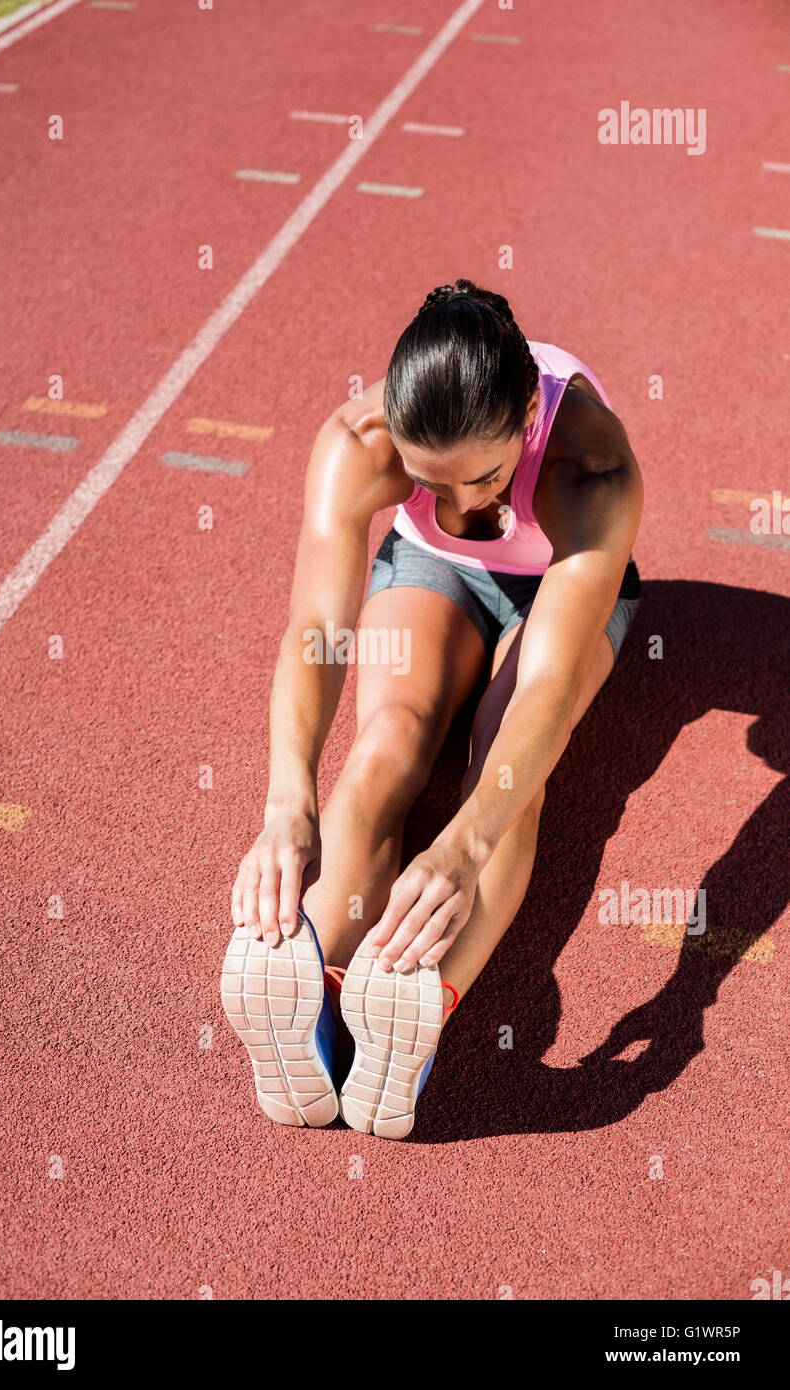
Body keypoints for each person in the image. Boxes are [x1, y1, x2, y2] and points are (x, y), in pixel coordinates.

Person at [221, 278, 643, 1138]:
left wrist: (466, 840)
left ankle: (419, 1004)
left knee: (503, 767)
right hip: (432, 574)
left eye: (483, 480)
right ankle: (313, 991)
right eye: (429, 481)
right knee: (386, 743)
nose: (459, 506)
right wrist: (285, 803)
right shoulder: (354, 443)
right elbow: (317, 631)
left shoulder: (592, 469)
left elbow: (549, 691)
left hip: (557, 589)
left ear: (530, 415)